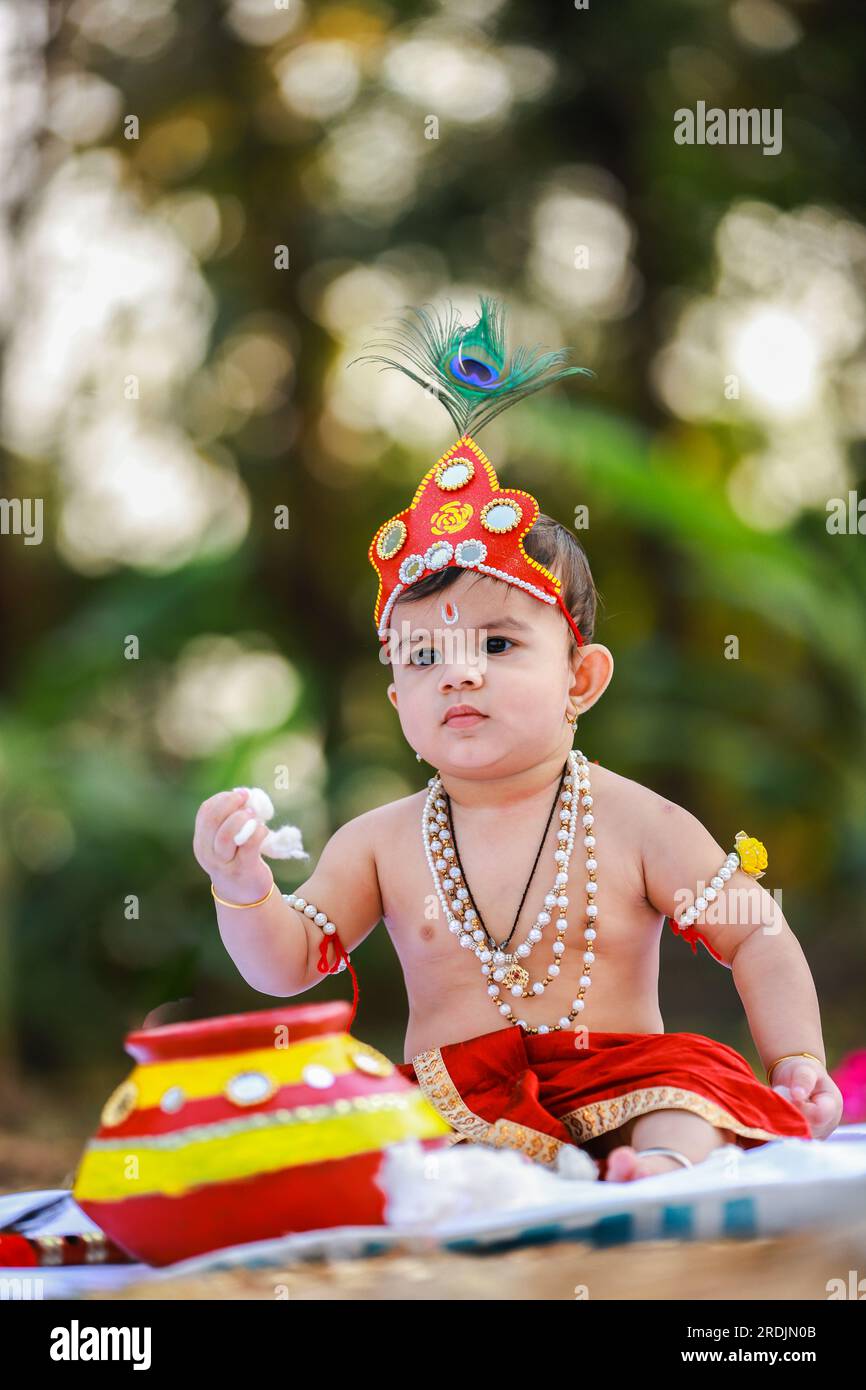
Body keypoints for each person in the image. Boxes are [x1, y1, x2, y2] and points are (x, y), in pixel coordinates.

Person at [193, 298, 843, 1182]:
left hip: (623, 1081)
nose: (458, 674)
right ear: (397, 700)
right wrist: (242, 886)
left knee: (690, 1091)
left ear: (579, 679)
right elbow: (288, 965)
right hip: (451, 1106)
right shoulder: (380, 843)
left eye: (497, 645)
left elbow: (757, 936)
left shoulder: (638, 820)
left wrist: (797, 1058)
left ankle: (659, 1169)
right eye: (424, 655)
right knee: (344, 1133)